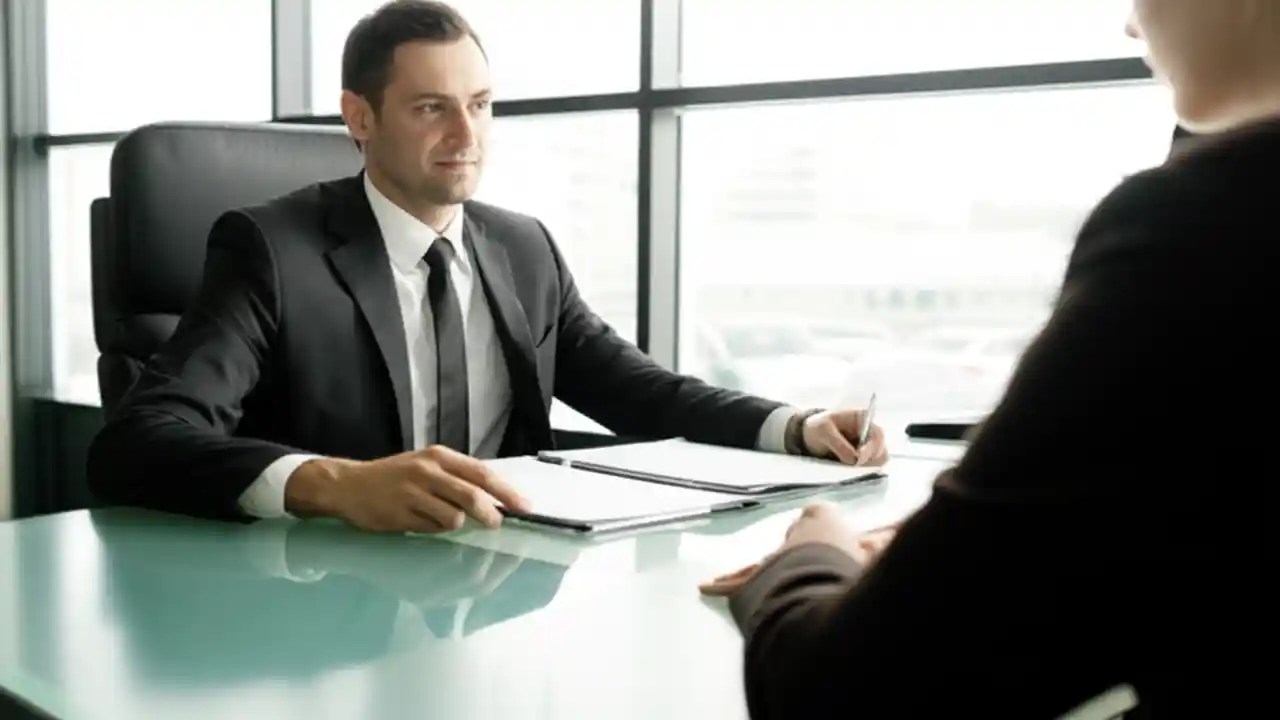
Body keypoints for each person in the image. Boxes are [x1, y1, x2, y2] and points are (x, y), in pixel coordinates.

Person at [86, 0, 887, 533]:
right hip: (318, 591)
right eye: (431, 107)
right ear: (359, 118)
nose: (466, 134)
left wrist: (796, 425)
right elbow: (138, 440)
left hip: (508, 581)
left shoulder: (522, 247)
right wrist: (336, 485)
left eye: (480, 103)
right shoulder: (271, 249)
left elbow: (640, 389)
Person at [700, 0, 1276, 716]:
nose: (1132, 25)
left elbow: (839, 693)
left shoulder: (1205, 225)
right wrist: (974, 546)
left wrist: (810, 553)